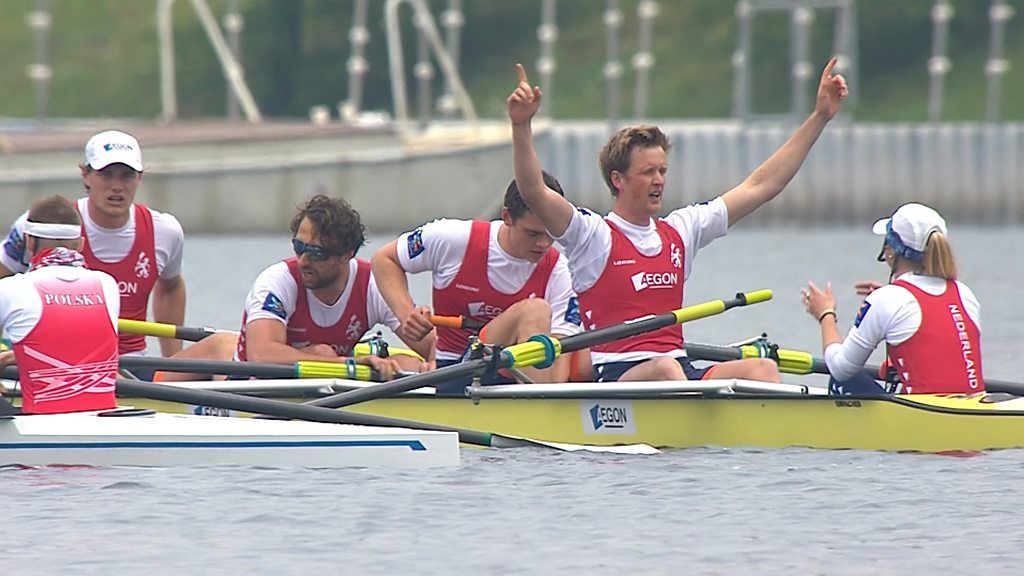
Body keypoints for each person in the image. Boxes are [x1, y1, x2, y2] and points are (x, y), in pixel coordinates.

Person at [509, 58, 848, 383]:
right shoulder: (592, 235)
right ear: (618, 180)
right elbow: (534, 191)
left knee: (761, 369)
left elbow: (761, 186)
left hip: (674, 366)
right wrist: (521, 125)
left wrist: (819, 117)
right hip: (619, 373)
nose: (659, 180)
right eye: (647, 172)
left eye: (662, 171)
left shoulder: (682, 229)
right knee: (668, 369)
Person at [0, 130, 236, 374]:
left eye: (126, 176)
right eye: (106, 175)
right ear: (86, 175)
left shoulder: (164, 231)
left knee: (225, 344)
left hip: (132, 363)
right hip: (56, 361)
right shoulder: (46, 225)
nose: (116, 186)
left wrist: (172, 361)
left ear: (139, 178)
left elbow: (171, 287)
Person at [372, 175, 585, 394]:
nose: (543, 243)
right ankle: (542, 414)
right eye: (533, 233)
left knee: (588, 355)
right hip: (455, 372)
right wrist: (407, 313)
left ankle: (544, 410)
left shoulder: (562, 272)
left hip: (514, 378)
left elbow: (559, 360)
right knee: (535, 310)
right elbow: (385, 259)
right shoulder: (454, 239)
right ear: (507, 217)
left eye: (550, 232)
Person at [235, 194, 429, 381]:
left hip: (325, 389)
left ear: (346, 255)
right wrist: (341, 363)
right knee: (322, 352)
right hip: (249, 386)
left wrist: (426, 364)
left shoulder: (372, 285)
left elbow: (435, 346)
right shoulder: (278, 281)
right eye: (299, 247)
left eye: (316, 253)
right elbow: (262, 355)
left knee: (408, 363)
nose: (303, 261)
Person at [801, 203, 984, 395]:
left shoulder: (888, 300)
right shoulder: (964, 294)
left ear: (891, 249)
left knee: (844, 380)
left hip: (924, 417)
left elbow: (840, 368)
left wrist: (825, 314)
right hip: (973, 410)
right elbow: (943, 343)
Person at [0, 195, 120, 414]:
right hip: (106, 417)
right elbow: (69, 343)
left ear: (29, 241)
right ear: (81, 244)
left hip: (39, 424)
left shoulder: (9, 289)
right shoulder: (107, 285)